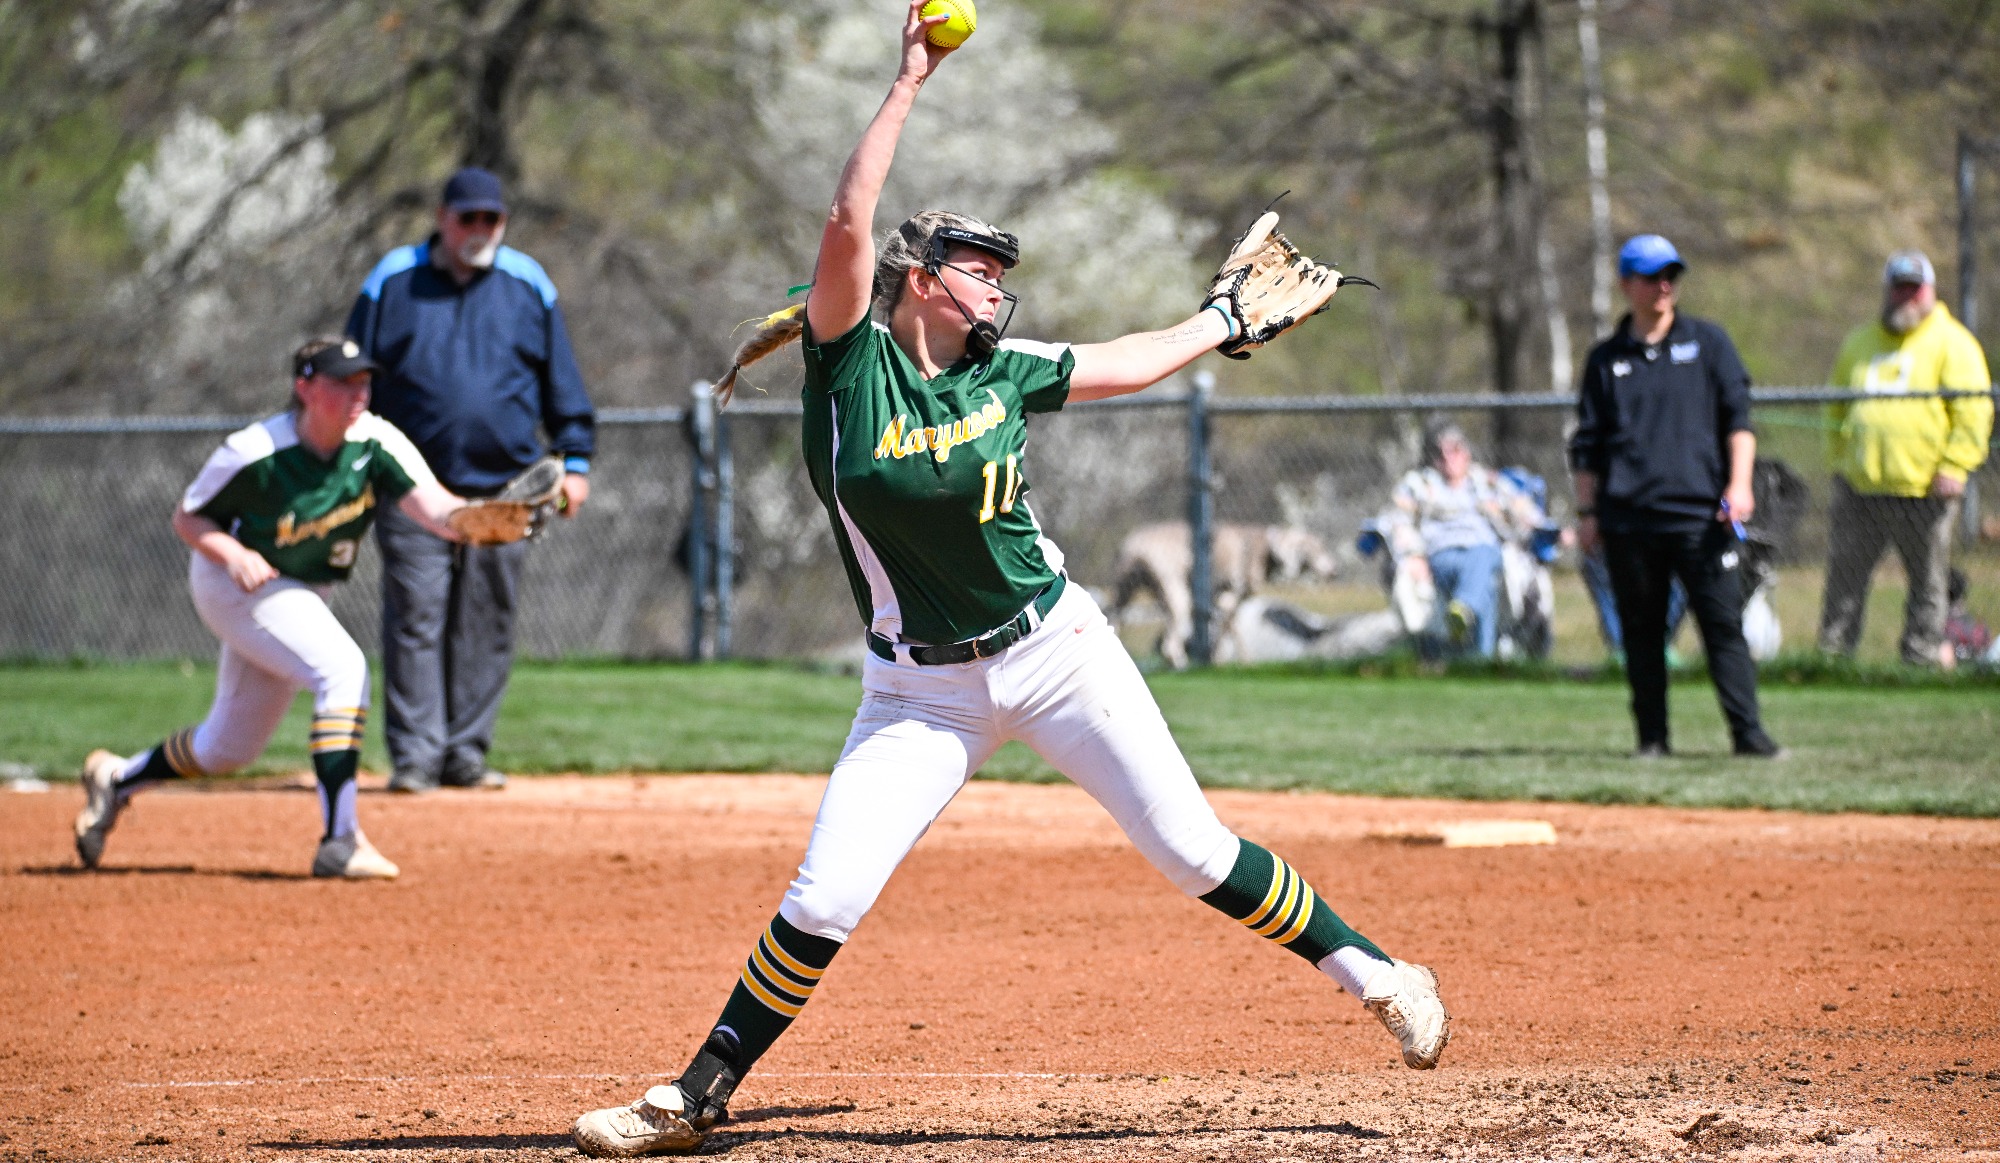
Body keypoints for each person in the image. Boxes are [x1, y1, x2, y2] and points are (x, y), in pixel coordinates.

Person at [570, 6, 1449, 1156]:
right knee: (824, 896)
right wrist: (905, 84)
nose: (996, 290)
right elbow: (845, 218)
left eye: (998, 275)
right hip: (916, 692)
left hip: (1054, 650)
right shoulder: (848, 370)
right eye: (978, 271)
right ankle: (693, 1095)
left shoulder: (1007, 372)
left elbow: (1124, 362)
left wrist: (1218, 320)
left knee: (1189, 850)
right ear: (918, 280)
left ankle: (1378, 974)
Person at [72, 339, 470, 878]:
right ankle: (341, 840)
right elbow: (188, 519)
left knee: (227, 747)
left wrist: (487, 520)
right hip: (232, 585)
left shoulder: (375, 441)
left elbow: (439, 508)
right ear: (304, 387)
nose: (358, 393)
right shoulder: (254, 451)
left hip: (300, 593)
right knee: (342, 668)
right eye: (341, 383)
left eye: (363, 382)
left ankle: (116, 780)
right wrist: (234, 553)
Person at [346, 166, 597, 793]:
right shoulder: (393, 279)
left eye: (492, 218)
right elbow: (355, 380)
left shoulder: (526, 282)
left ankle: (464, 753)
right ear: (443, 217)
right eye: (468, 218)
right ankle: (416, 757)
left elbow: (561, 380)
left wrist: (576, 462)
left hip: (506, 488)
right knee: (417, 617)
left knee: (486, 620)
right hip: (410, 486)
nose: (480, 229)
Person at [1569, 234, 1784, 759]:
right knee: (1641, 635)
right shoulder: (1605, 359)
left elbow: (1739, 422)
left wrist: (1739, 484)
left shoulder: (1709, 344)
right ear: (1627, 285)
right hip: (1628, 519)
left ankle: (1748, 736)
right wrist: (1588, 513)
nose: (1664, 285)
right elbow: (1588, 445)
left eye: (1671, 275)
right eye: (1651, 275)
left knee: (1722, 627)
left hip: (1700, 516)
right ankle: (1652, 740)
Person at [1817, 249, 1994, 666]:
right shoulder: (1860, 342)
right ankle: (1832, 662)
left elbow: (1974, 410)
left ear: (1929, 292)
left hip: (1925, 491)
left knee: (1927, 585)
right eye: (1898, 288)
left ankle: (1920, 660)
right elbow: (1833, 407)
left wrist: (1955, 465)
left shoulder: (1953, 343)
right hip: (1861, 489)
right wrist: (1839, 462)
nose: (1905, 298)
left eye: (1914, 290)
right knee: (1844, 581)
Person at [1389, 421, 1543, 657]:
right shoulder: (1419, 485)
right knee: (1485, 580)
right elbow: (1397, 520)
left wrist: (1551, 530)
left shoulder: (1488, 482)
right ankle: (1479, 654)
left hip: (1489, 553)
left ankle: (1464, 616)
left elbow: (1526, 511)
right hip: (1441, 555)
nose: (1448, 458)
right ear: (1431, 458)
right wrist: (1413, 555)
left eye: (1455, 450)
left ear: (1467, 452)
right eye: (1440, 453)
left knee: (1484, 555)